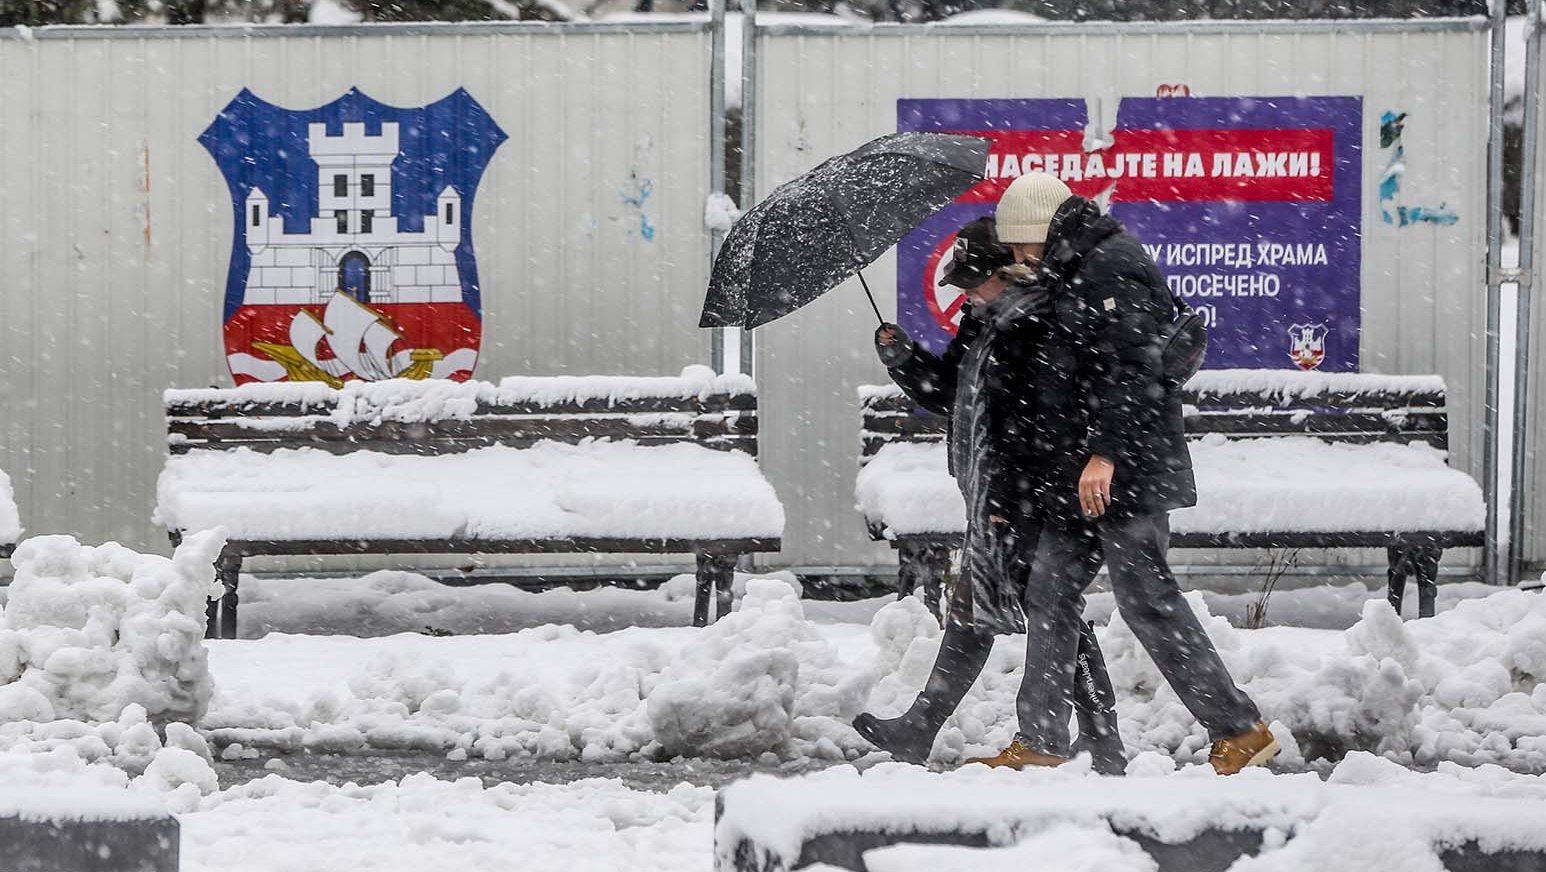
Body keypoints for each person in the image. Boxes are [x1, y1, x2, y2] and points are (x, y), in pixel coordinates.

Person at [964, 172, 1280, 775]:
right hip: (1081, 472)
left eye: (1020, 245)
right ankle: (1042, 740)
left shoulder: (1110, 266)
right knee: (1049, 592)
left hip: (1123, 471)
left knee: (1146, 598)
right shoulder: (1073, 264)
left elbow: (1135, 370)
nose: (1016, 258)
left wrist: (1106, 453)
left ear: (1040, 231)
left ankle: (1240, 729)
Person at [851, 216, 1124, 774]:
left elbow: (1038, 428)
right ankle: (922, 728)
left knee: (1045, 609)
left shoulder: (1040, 324)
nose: (968, 294)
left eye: (978, 281)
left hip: (1029, 496)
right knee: (987, 610)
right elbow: (951, 393)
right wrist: (904, 359)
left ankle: (1098, 733)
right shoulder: (986, 323)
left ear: (1013, 271)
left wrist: (1008, 501)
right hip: (996, 493)